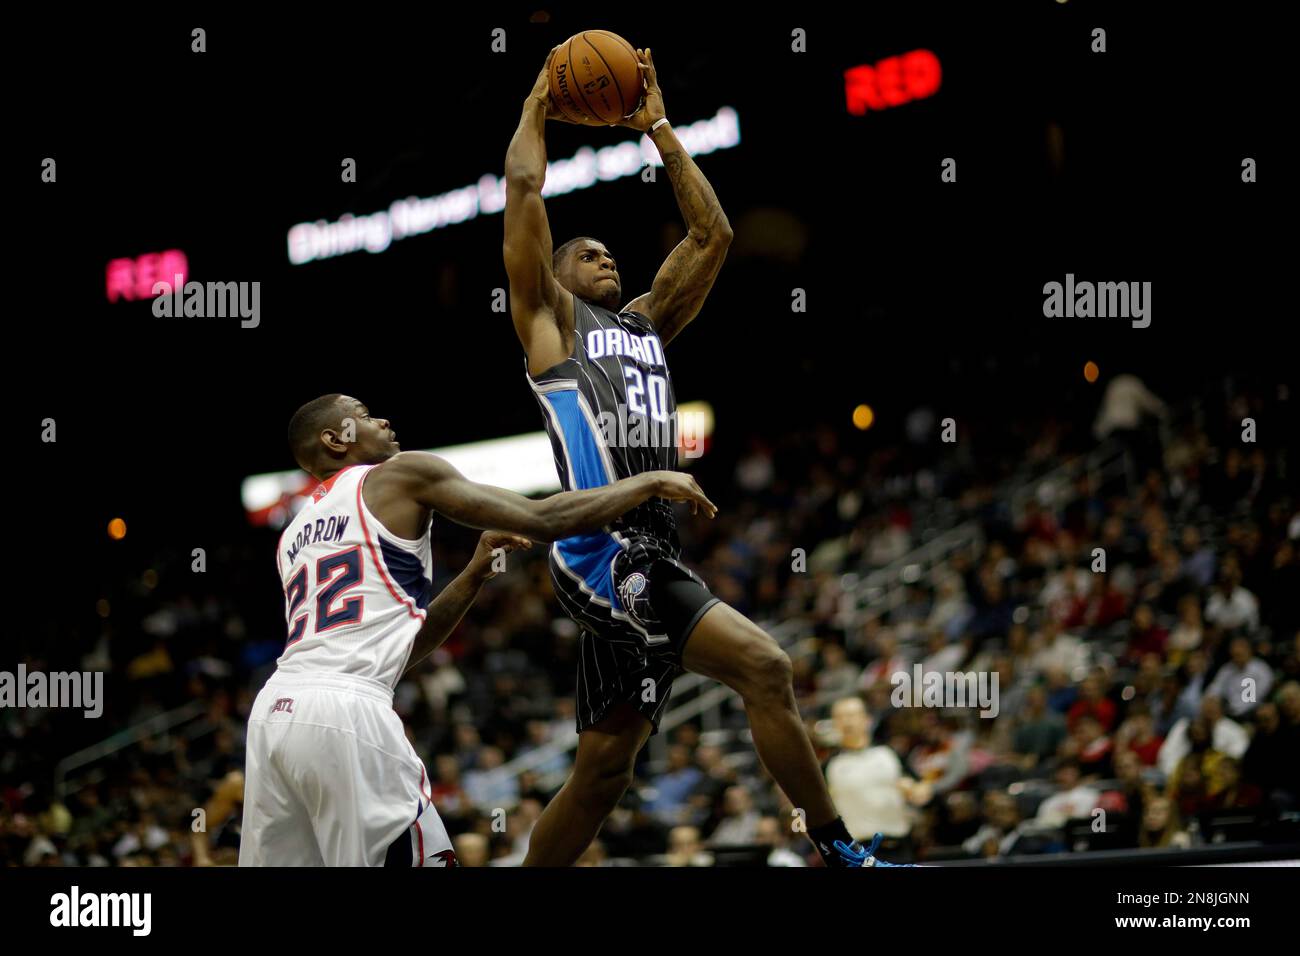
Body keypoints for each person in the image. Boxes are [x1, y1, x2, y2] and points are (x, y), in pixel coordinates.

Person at [503, 46, 904, 868]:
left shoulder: (647, 325)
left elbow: (712, 232)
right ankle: (840, 852)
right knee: (766, 666)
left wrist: (657, 125)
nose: (605, 257)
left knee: (604, 768)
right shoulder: (551, 326)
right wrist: (541, 103)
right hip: (603, 552)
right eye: (586, 253)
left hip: (650, 548)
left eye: (610, 251)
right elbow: (523, 190)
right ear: (552, 276)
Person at [239, 393, 712, 866]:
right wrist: (647, 481)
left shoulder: (293, 533)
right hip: (347, 710)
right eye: (362, 416)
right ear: (333, 440)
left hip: (274, 716)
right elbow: (544, 519)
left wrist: (472, 575)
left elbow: (402, 649)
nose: (382, 419)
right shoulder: (403, 472)